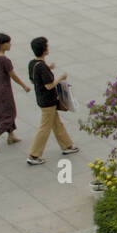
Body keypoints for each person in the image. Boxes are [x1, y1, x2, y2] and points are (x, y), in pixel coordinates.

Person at [25, 36, 78, 166]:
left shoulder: (33, 64)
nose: (48, 48)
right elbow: (49, 85)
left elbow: (33, 79)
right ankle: (34, 154)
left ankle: (67, 145)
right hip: (48, 101)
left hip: (42, 99)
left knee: (57, 123)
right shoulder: (42, 67)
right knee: (45, 128)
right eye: (47, 46)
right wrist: (61, 77)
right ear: (43, 50)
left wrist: (49, 68)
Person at [0, 32, 30, 150]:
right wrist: (24, 86)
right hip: (4, 91)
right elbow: (13, 76)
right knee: (10, 114)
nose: (10, 45)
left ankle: (11, 136)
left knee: (2, 112)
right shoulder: (5, 60)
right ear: (2, 45)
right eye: (8, 43)